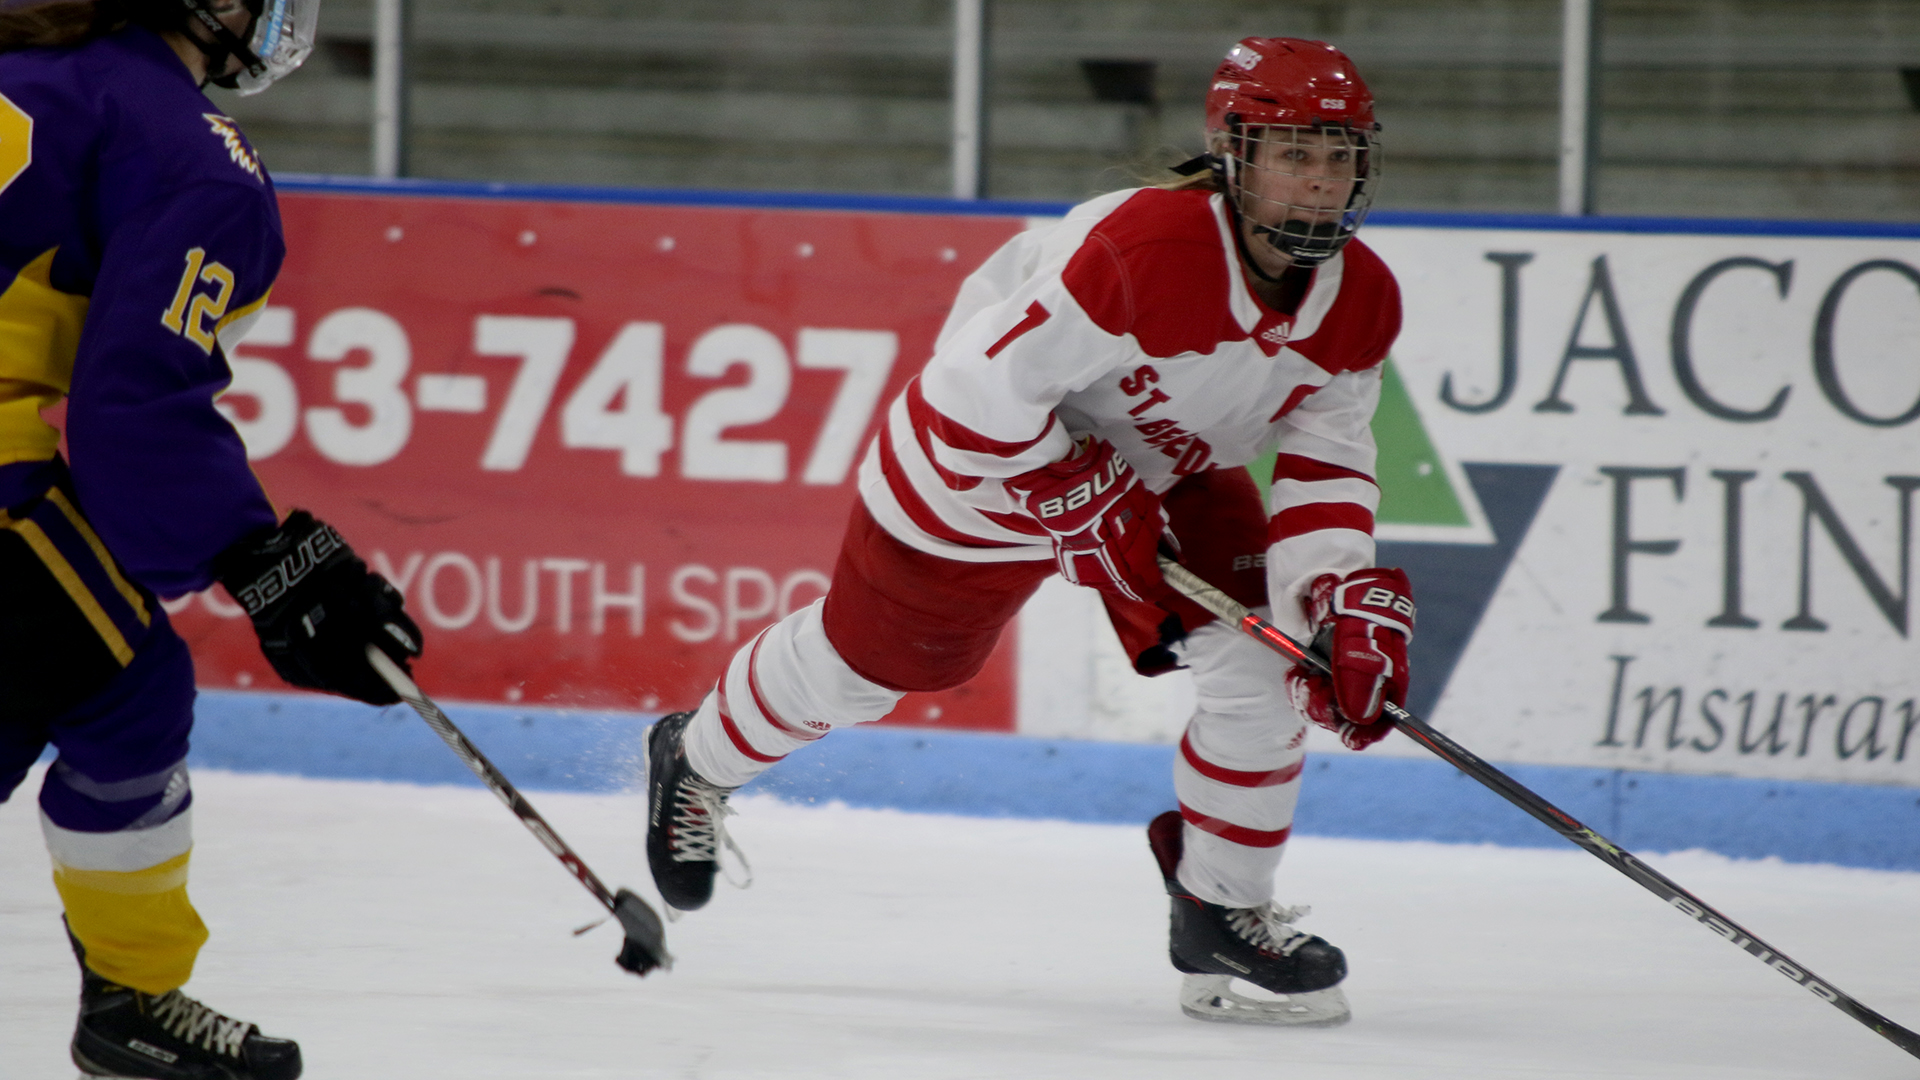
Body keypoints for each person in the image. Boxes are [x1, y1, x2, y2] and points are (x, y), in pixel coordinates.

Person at [643, 36, 1411, 1027]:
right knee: (867, 671)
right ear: (1237, 154)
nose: (1319, 184)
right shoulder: (1145, 250)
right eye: (1295, 154)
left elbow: (1327, 461)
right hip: (979, 470)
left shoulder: (1363, 300)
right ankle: (697, 760)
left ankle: (1221, 907)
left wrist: (1334, 602)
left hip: (1162, 469)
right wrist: (1062, 486)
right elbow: (968, 393)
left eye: (1340, 156)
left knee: (1267, 658)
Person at [0, 0, 422, 1074]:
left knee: (120, 681)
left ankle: (135, 999)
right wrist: (262, 561)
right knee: (115, 682)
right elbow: (132, 404)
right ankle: (133, 999)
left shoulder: (33, 65)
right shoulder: (192, 153)